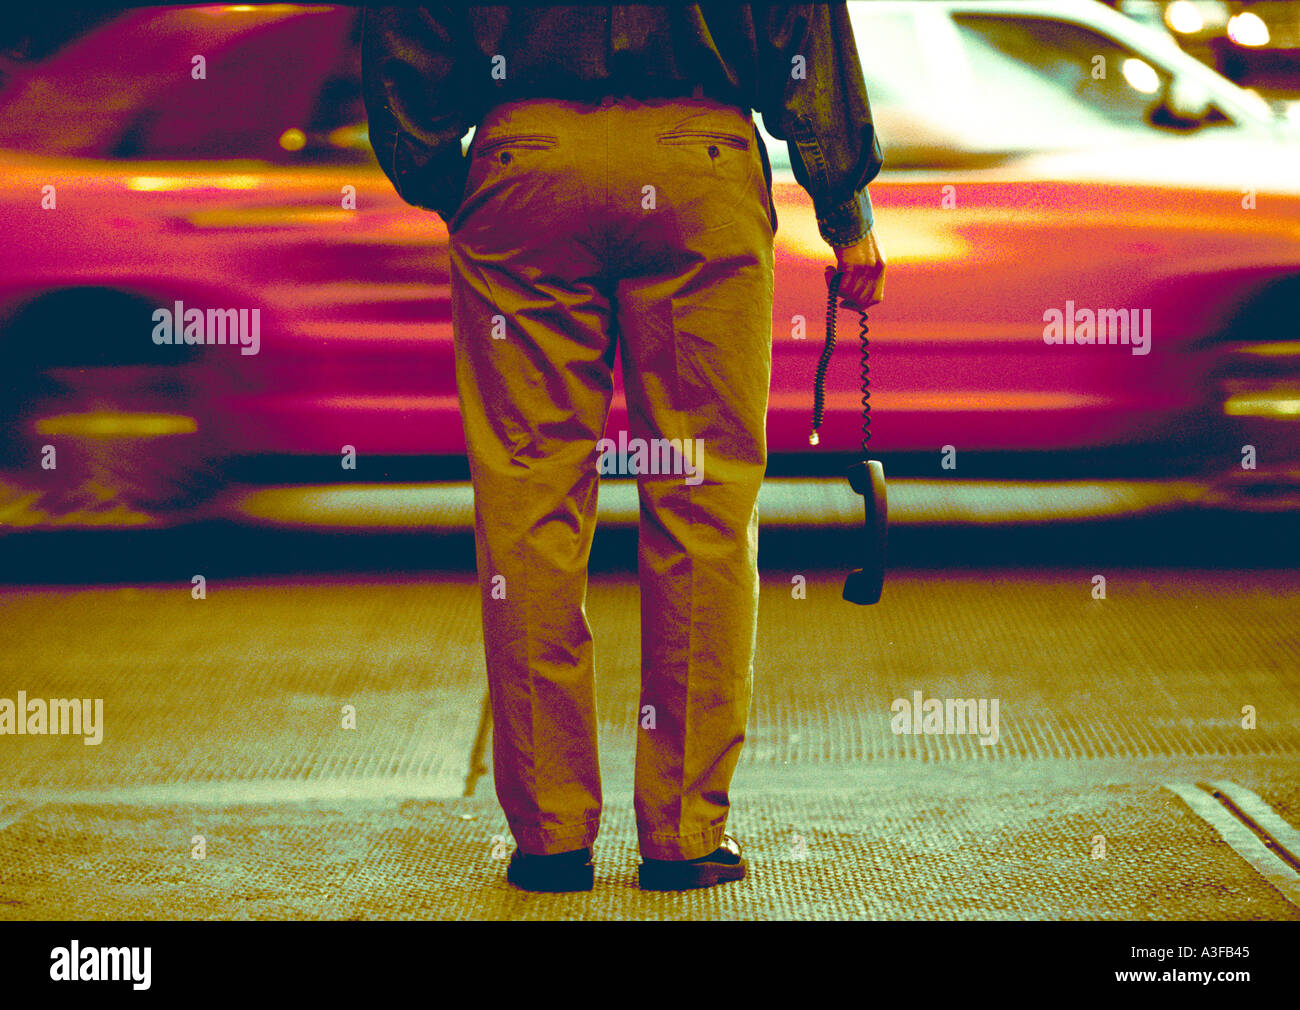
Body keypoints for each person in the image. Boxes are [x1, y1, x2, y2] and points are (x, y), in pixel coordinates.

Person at [362, 4, 885, 893]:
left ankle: (550, 836)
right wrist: (845, 210)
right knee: (701, 503)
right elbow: (804, 28)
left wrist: (445, 173)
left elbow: (405, 29)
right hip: (699, 165)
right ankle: (684, 834)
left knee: (527, 506)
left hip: (526, 166)